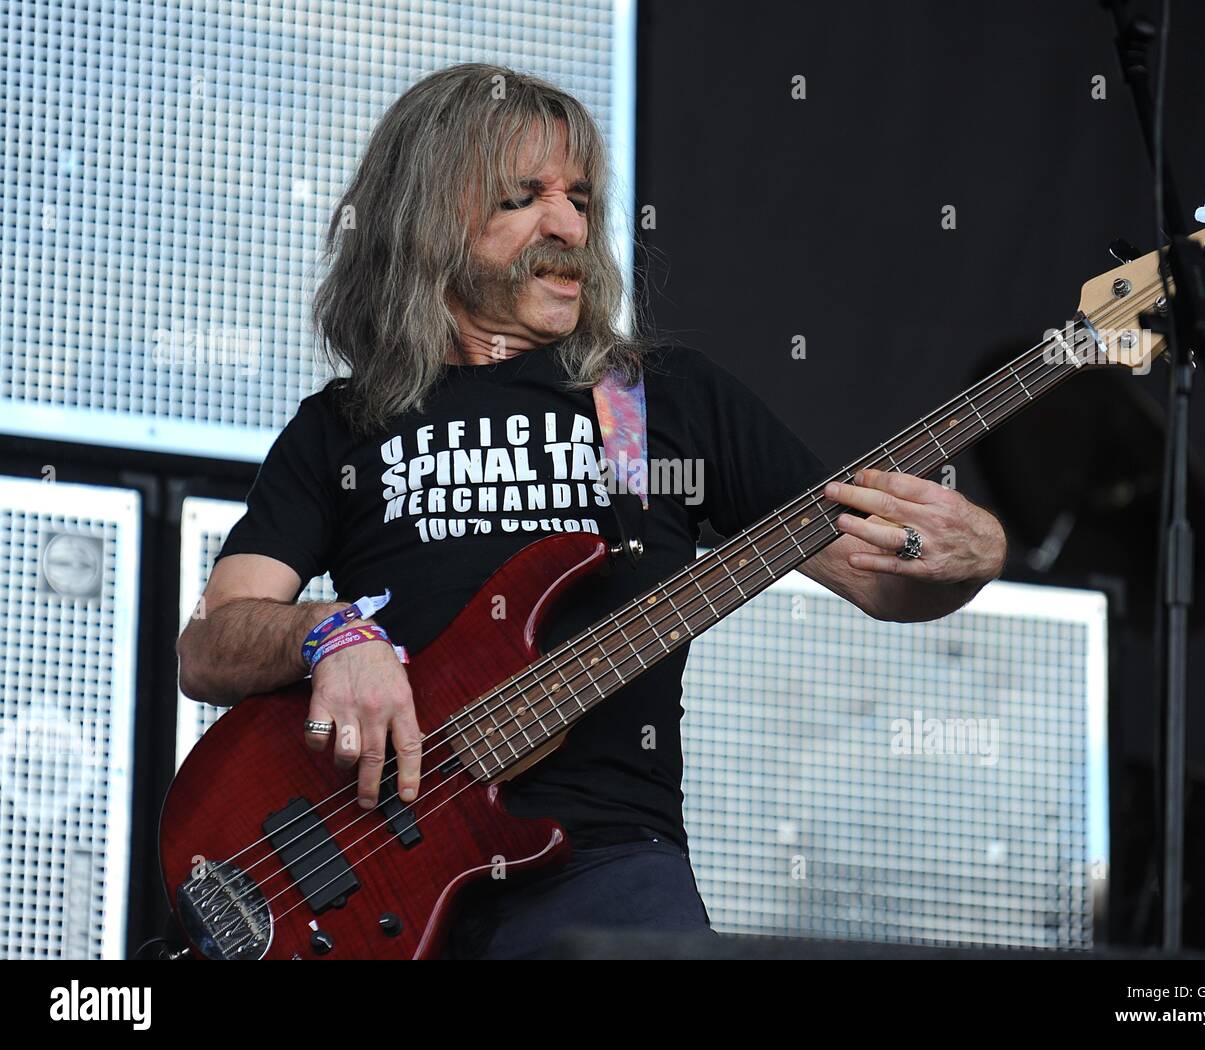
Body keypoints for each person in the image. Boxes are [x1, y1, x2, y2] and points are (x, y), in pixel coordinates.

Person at [174, 63, 1007, 959]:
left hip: (604, 865)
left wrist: (971, 553)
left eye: (579, 199)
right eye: (523, 197)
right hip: (372, 871)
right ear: (428, 214)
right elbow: (210, 645)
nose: (568, 226)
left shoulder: (653, 402)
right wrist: (332, 634)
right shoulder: (345, 425)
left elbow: (881, 579)